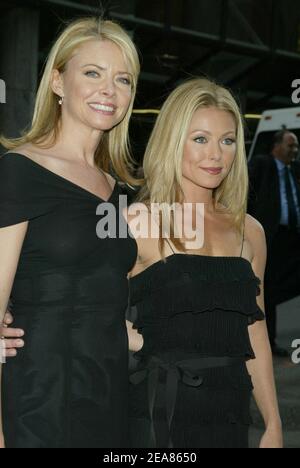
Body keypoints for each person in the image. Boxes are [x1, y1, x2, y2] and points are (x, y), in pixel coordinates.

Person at [0, 17, 140, 448]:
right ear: (58, 82)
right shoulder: (20, 172)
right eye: (93, 73)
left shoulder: (119, 191)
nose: (109, 91)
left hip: (110, 394)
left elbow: (106, 285)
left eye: (123, 79)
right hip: (38, 398)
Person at [124, 79, 283, 448]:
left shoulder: (250, 231)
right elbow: (85, 308)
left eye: (227, 141)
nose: (216, 155)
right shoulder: (140, 221)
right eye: (200, 139)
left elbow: (254, 330)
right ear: (172, 141)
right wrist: (134, 340)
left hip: (229, 411)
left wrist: (273, 423)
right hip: (155, 414)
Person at [248, 130, 300, 357]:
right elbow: (246, 192)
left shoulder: (294, 171)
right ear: (276, 146)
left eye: (296, 146)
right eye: (291, 145)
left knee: (276, 286)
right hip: (272, 237)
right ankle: (267, 340)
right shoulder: (263, 165)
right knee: (267, 287)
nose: (295, 150)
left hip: (293, 238)